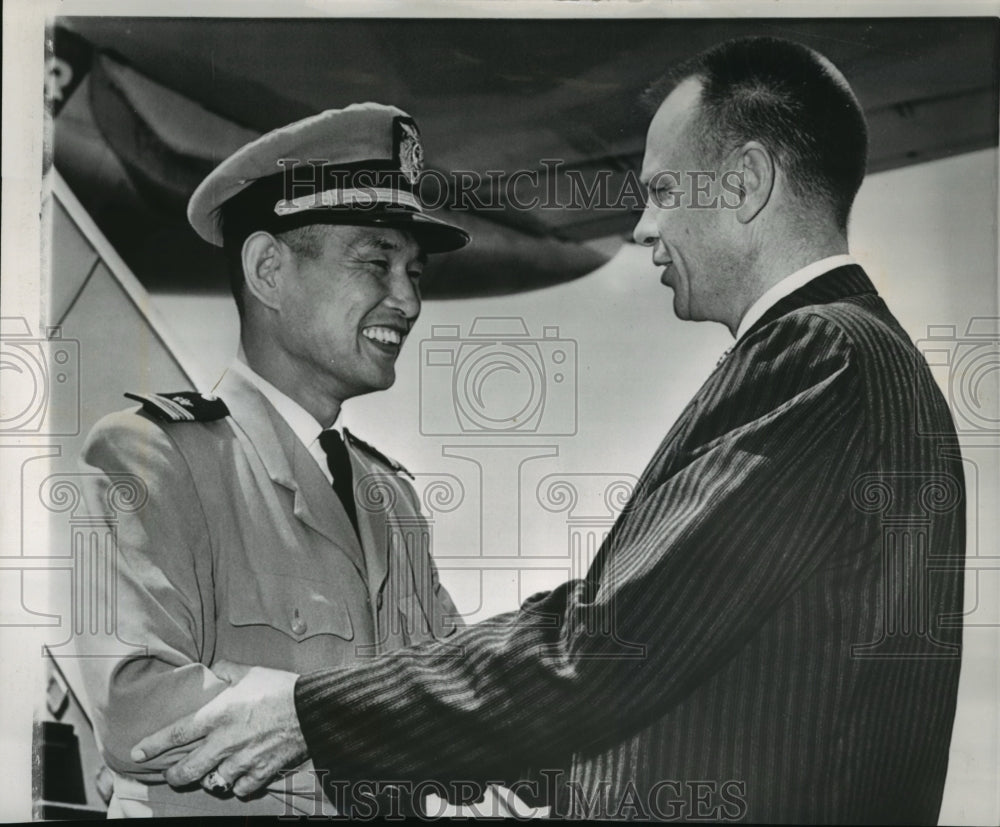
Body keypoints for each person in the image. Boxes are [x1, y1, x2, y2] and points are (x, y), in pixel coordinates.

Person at [130, 38, 966, 823]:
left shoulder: (818, 354)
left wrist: (309, 715)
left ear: (746, 183)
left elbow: (606, 647)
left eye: (665, 191)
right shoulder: (862, 358)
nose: (643, 227)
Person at [75, 102, 470, 817]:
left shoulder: (393, 500)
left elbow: (465, 698)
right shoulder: (151, 457)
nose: (408, 298)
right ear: (267, 269)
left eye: (415, 272)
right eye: (377, 262)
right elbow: (135, 708)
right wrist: (367, 734)